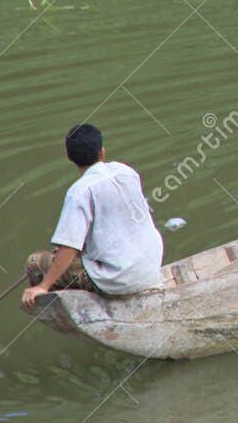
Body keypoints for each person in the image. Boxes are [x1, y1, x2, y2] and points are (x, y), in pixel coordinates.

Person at [22, 124, 164, 308]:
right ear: (102, 152)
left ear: (68, 156)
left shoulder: (79, 191)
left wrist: (43, 286)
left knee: (36, 262)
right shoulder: (126, 171)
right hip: (151, 267)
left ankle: (84, 306)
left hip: (119, 279)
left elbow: (68, 249)